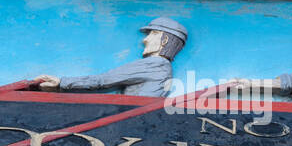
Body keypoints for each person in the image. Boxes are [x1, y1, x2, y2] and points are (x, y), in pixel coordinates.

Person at [34, 17, 186, 97]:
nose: (145, 40)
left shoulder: (155, 64)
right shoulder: (164, 67)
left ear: (164, 40)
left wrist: (61, 82)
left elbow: (104, 80)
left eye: (153, 34)